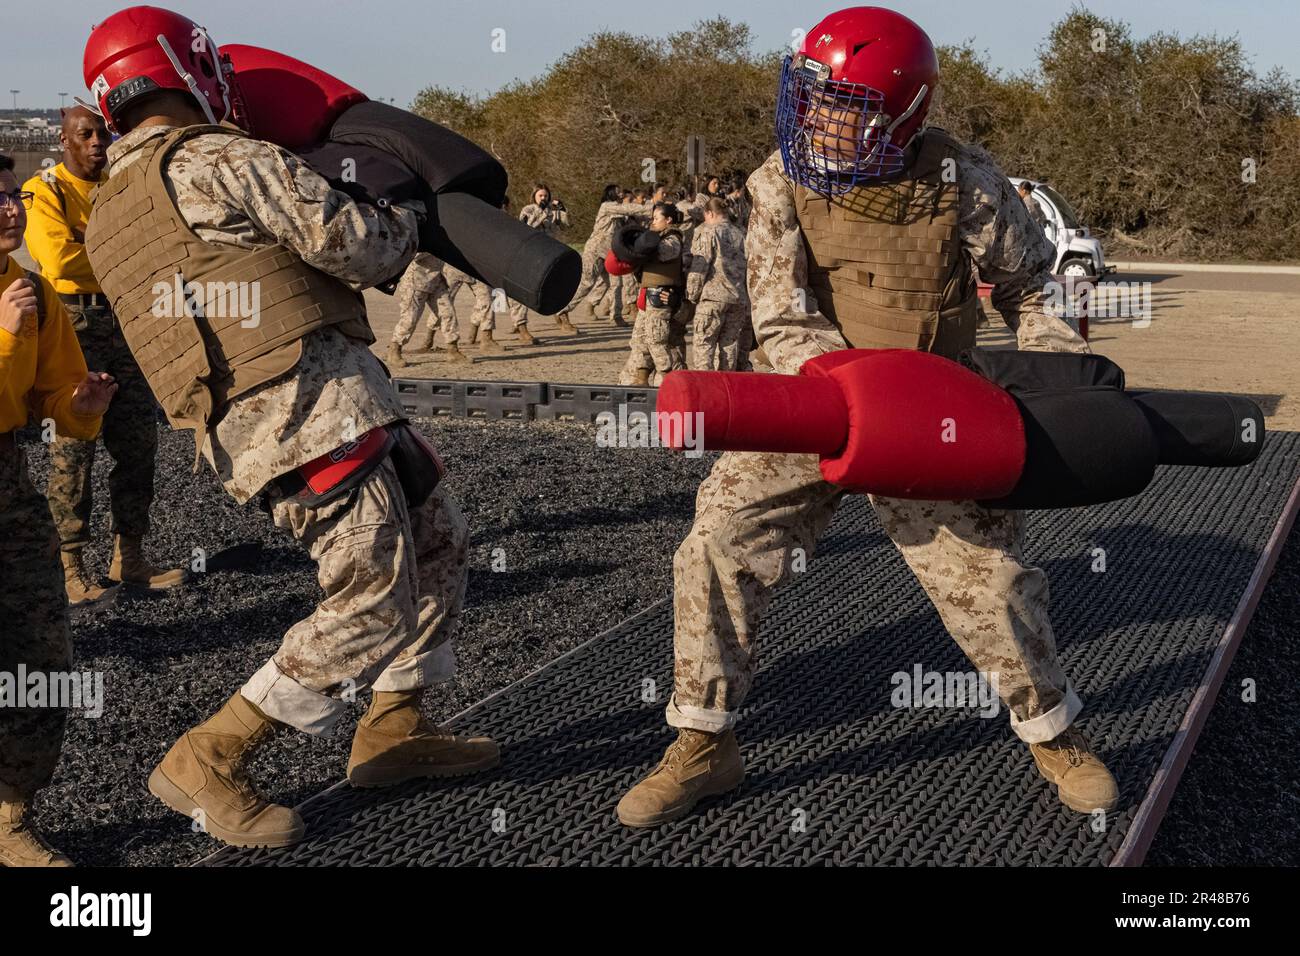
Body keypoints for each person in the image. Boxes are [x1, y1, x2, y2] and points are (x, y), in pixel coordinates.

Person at [616, 6, 1116, 828]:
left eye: (842, 105)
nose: (819, 119)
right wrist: (851, 399)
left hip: (935, 410)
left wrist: (1052, 370)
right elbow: (779, 317)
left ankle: (1052, 731)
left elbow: (1034, 285)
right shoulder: (781, 180)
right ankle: (704, 740)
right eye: (812, 99)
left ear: (902, 113)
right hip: (816, 398)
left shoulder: (964, 180)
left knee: (990, 585)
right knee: (718, 539)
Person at [81, 6, 497, 849]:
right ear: (187, 71)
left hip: (271, 412)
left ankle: (393, 728)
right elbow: (363, 250)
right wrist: (402, 210)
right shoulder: (222, 156)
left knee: (437, 536)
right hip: (307, 411)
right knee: (373, 595)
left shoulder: (109, 208)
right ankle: (210, 756)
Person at [0, 152, 115, 865]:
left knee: (42, 657)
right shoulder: (19, 308)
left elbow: (49, 399)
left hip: (9, 487)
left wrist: (80, 407)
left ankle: (12, 814)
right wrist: (6, 335)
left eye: (10, 193)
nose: (10, 207)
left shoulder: (32, 291)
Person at [23, 106, 186, 605]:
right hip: (73, 327)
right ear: (64, 139)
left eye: (102, 133)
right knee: (74, 451)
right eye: (85, 134)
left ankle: (129, 558)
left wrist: (112, 252)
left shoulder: (126, 183)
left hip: (129, 321)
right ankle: (70, 567)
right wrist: (127, 255)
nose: (97, 142)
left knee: (138, 444)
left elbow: (165, 243)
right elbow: (57, 259)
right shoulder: (43, 189)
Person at [555, 184, 648, 332]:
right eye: (618, 192)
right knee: (587, 283)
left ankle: (616, 315)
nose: (622, 195)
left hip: (610, 253)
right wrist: (652, 207)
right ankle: (562, 311)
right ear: (611, 194)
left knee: (615, 284)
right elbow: (629, 208)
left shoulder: (621, 216)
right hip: (595, 251)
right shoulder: (607, 207)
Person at [618, 201, 687, 387]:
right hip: (646, 296)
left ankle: (667, 377)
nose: (653, 222)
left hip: (660, 296)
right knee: (639, 339)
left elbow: (661, 253)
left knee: (657, 339)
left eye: (657, 218)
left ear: (669, 220)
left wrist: (641, 244)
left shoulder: (673, 239)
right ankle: (641, 378)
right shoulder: (657, 237)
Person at [685, 198, 750, 371]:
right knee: (729, 346)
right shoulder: (741, 233)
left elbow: (700, 266)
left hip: (713, 297)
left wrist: (692, 295)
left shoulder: (709, 233)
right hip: (738, 298)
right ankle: (726, 386)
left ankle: (704, 387)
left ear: (710, 213)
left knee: (704, 345)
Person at [505, 184, 568, 344]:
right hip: (529, 255)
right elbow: (525, 229)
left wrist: (563, 211)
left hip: (548, 255)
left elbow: (566, 227)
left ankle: (563, 319)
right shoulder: (528, 210)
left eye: (546, 196)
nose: (544, 198)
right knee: (522, 291)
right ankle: (521, 327)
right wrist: (541, 213)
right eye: (540, 196)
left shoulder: (552, 212)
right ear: (534, 196)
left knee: (557, 286)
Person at [388, 253, 470, 368]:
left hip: (436, 281)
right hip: (416, 282)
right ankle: (395, 350)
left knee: (448, 313)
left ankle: (453, 351)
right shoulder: (423, 236)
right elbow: (412, 255)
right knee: (410, 318)